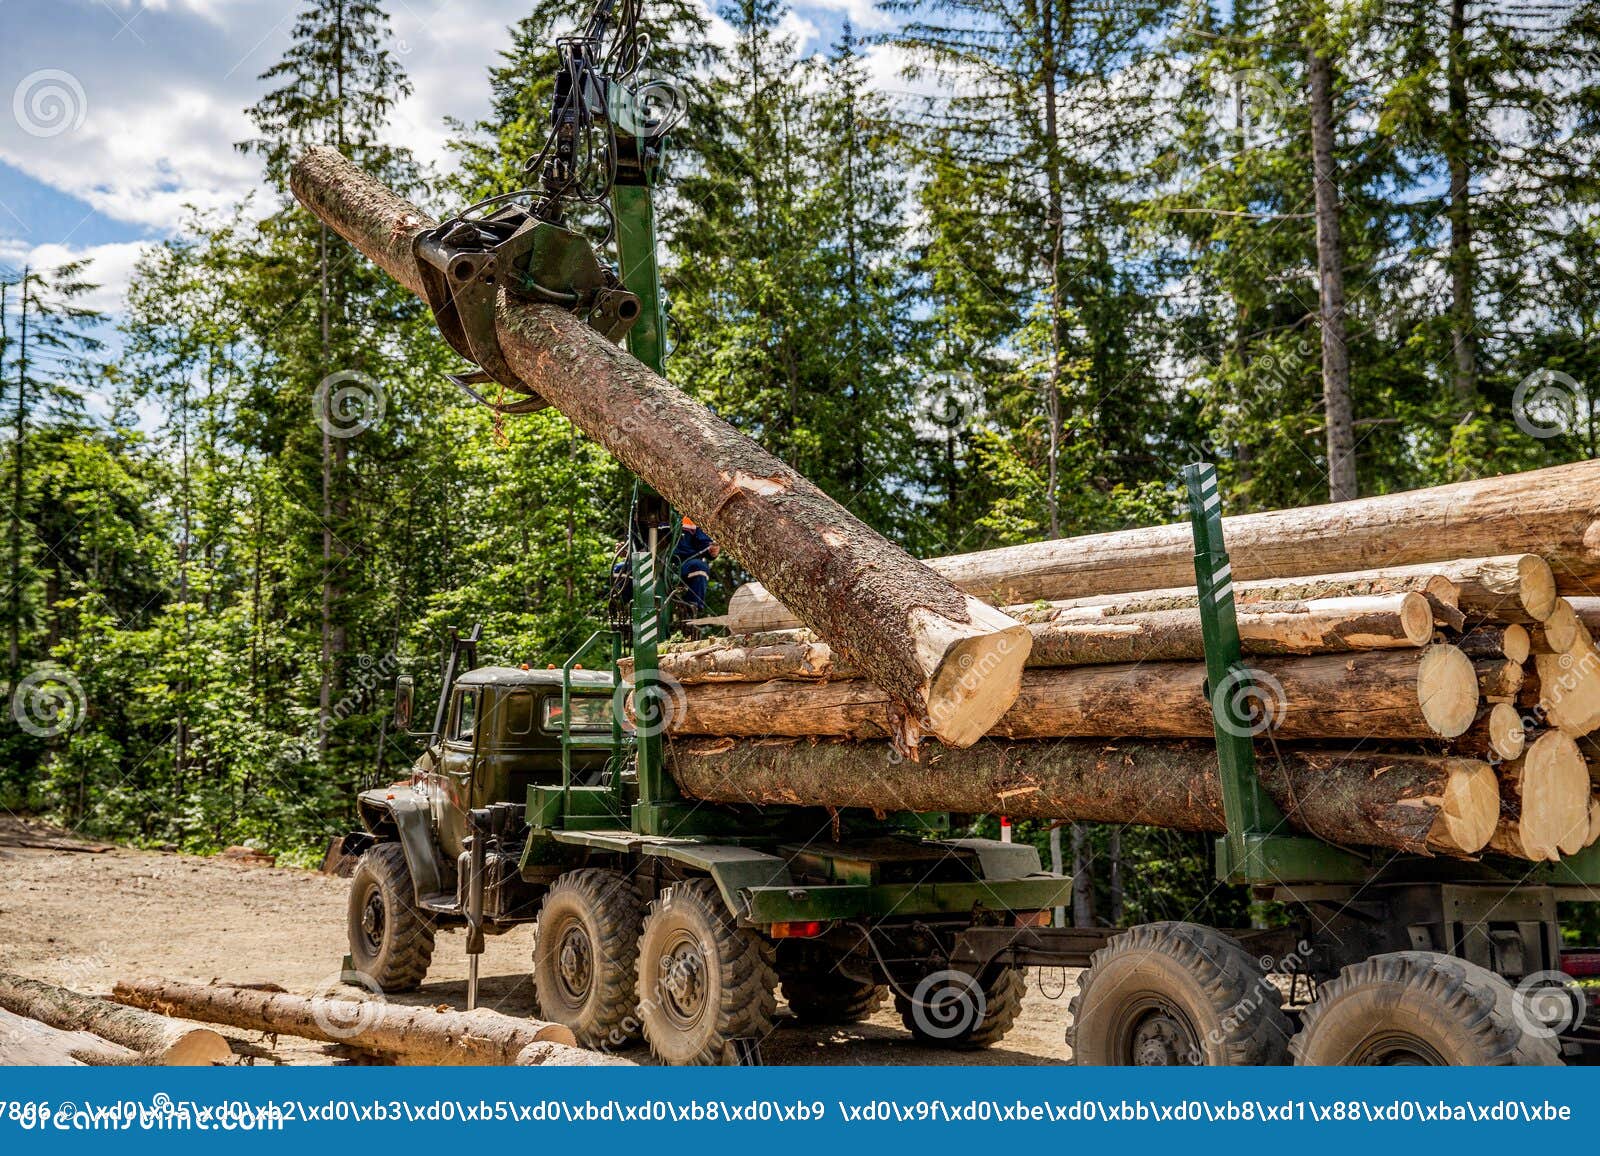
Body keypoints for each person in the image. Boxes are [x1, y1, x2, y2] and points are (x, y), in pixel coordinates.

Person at [673, 515, 718, 616]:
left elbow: (704, 543)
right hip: (654, 559)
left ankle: (690, 609)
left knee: (700, 567)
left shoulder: (691, 515)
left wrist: (711, 550)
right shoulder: (649, 505)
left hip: (684, 563)